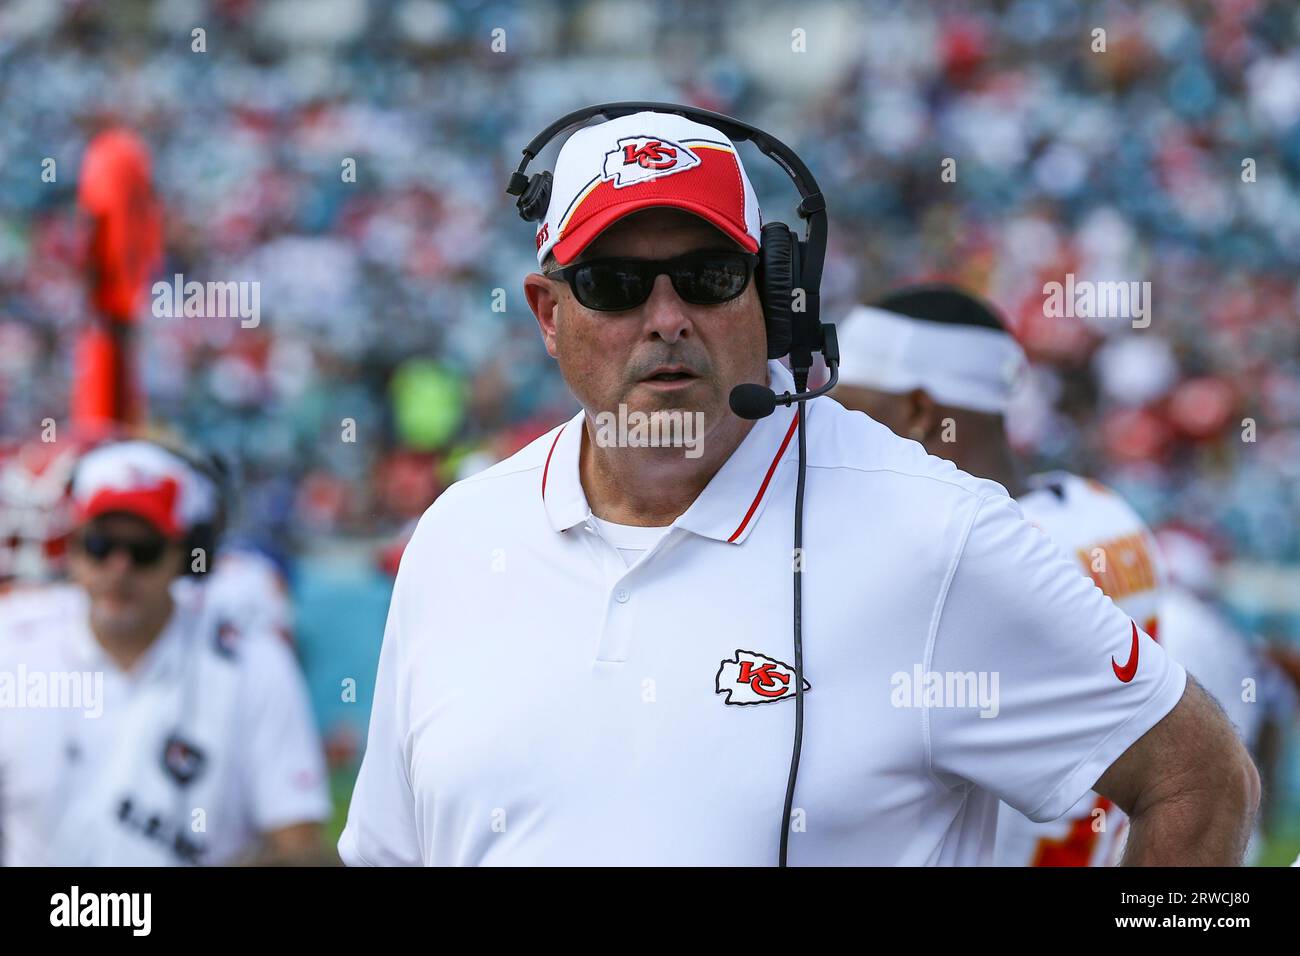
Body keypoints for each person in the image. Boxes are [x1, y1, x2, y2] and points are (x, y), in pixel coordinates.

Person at [339, 108, 1256, 866]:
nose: (666, 319)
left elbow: (1199, 776)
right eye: (614, 285)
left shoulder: (935, 534)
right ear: (548, 313)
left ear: (773, 294)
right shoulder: (460, 539)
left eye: (706, 277)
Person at [828, 284, 1213, 866]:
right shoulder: (1105, 511)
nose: (826, 430)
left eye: (847, 408)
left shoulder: (965, 564)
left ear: (917, 413)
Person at [0, 439, 331, 865]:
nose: (118, 569)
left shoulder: (253, 662)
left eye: (143, 551)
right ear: (74, 548)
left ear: (186, 556)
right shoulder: (13, 645)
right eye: (100, 547)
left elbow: (302, 847)